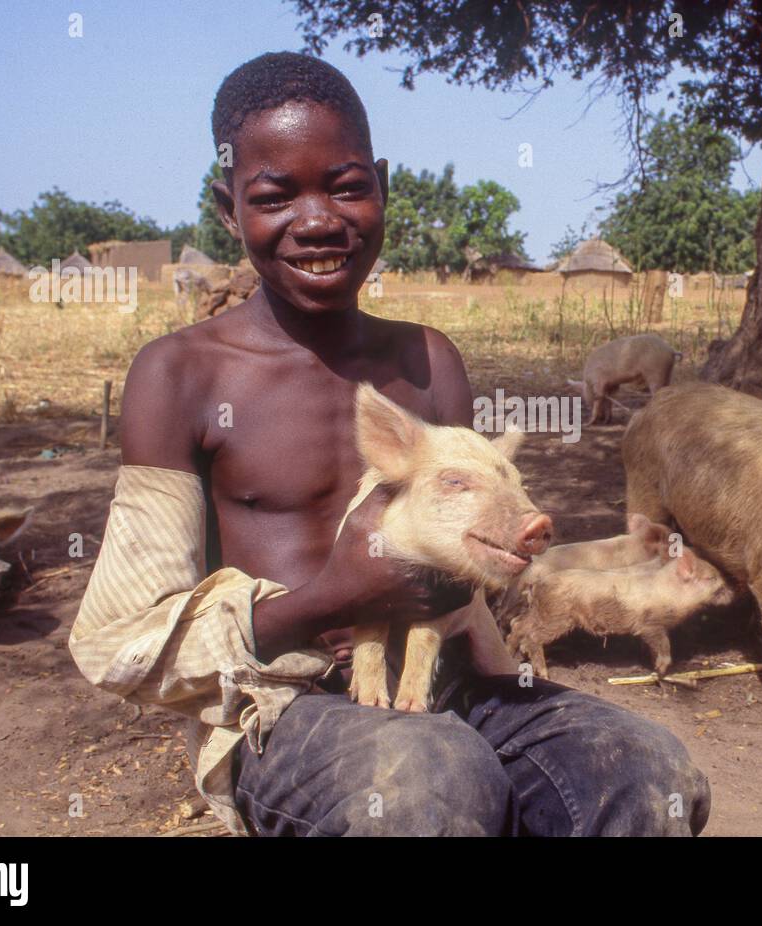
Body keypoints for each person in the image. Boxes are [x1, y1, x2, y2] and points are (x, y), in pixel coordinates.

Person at [70, 51, 710, 836]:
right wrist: (335, 597)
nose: (318, 220)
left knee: (647, 772)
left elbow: (466, 574)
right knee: (428, 784)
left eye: (346, 187)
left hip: (446, 678)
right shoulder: (180, 376)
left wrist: (499, 559)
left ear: (381, 185)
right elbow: (120, 640)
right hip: (291, 704)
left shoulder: (428, 361)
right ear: (228, 209)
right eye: (275, 197)